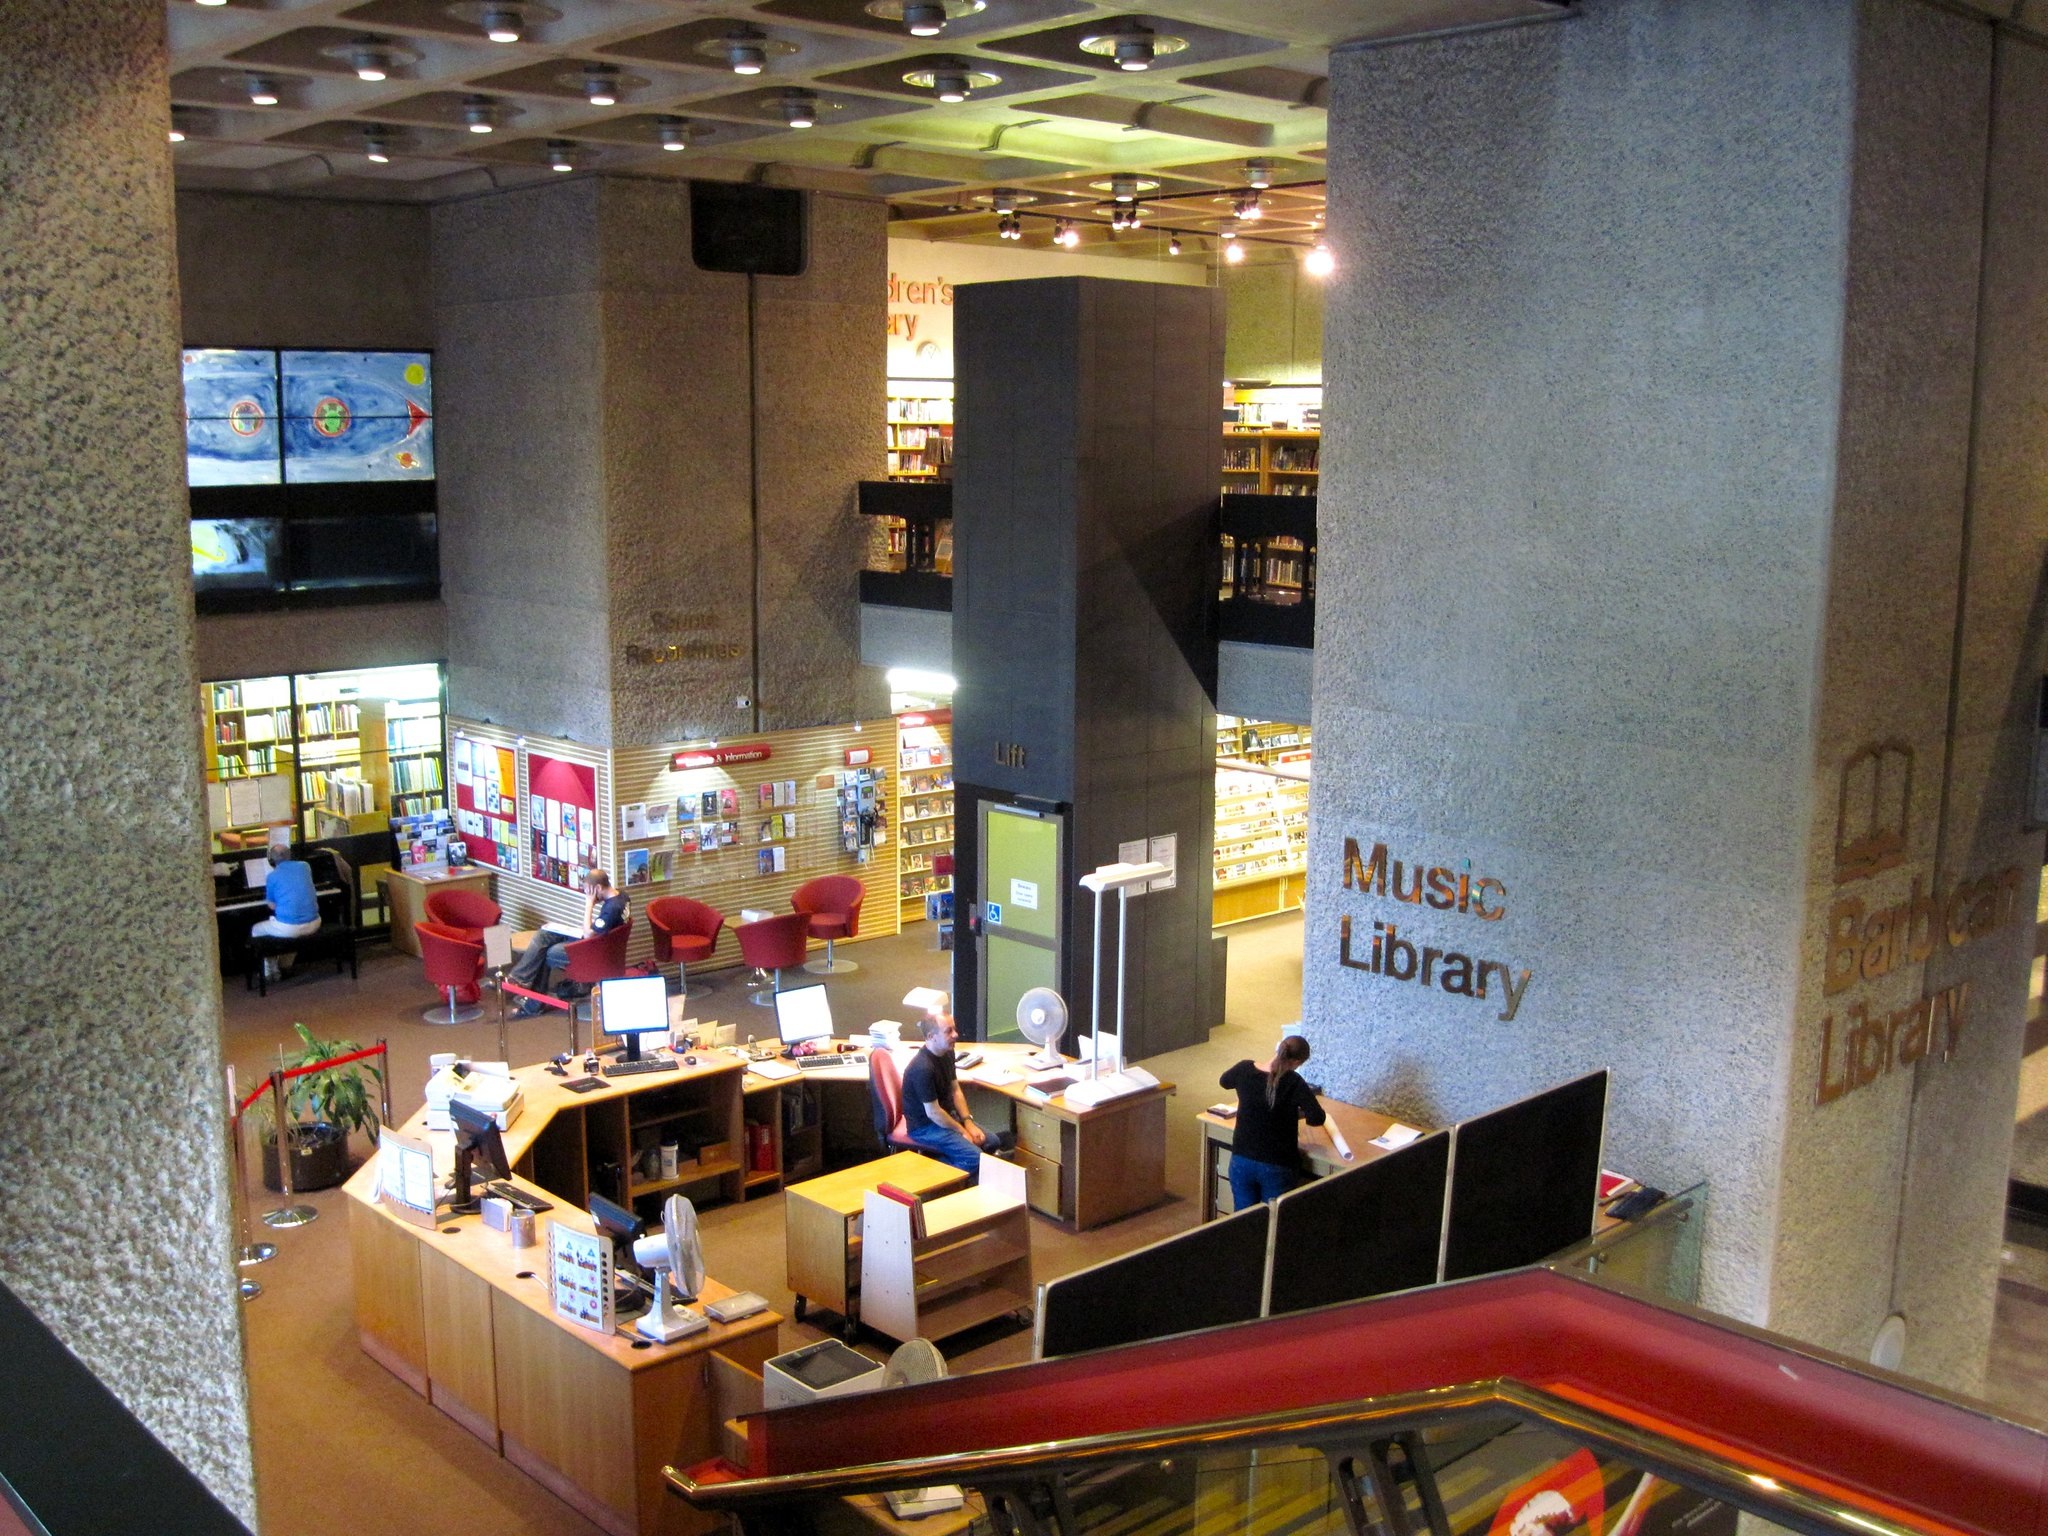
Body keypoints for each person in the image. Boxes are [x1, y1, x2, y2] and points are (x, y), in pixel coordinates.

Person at [1220, 1031, 1326, 1208]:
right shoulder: (1294, 1081)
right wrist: (1294, 1113)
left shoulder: (1244, 1069)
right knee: (1273, 1220)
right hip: (1277, 1163)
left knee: (1242, 1221)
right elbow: (1317, 1117)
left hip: (1242, 1158)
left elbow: (1224, 1081)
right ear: (1297, 1062)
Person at [901, 1006, 1003, 1180]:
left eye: (954, 1029)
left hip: (946, 1117)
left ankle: (960, 1169)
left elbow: (955, 1090)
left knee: (992, 1141)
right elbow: (933, 1113)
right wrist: (962, 1131)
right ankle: (928, 1176)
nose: (955, 1035)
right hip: (925, 1127)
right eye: (948, 1031)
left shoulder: (948, 1053)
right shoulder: (922, 1068)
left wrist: (968, 1123)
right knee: (976, 1158)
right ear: (931, 1037)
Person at [509, 870, 628, 1016]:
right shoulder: (622, 896)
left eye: (588, 891)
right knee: (545, 935)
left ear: (597, 888)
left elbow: (588, 934)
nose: (588, 895)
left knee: (547, 953)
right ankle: (519, 978)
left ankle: (531, 1002)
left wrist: (589, 904)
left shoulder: (612, 908)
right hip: (600, 943)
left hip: (596, 952)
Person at [251, 844, 320, 980]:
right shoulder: (305, 866)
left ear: (271, 861)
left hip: (291, 928)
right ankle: (285, 965)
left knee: (256, 930)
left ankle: (269, 971)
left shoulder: (272, 876)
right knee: (292, 933)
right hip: (315, 922)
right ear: (290, 855)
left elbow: (271, 906)